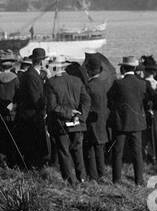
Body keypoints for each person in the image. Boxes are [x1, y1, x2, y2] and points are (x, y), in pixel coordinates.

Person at [45, 55, 90, 184]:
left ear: (54, 67)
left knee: (64, 152)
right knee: (77, 150)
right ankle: (82, 178)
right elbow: (86, 100)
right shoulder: (77, 80)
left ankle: (71, 181)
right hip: (77, 122)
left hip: (61, 123)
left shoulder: (51, 82)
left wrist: (69, 113)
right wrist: (81, 116)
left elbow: (52, 107)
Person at [108, 56, 149, 185]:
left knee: (118, 152)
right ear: (135, 68)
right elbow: (147, 99)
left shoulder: (118, 83)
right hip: (137, 122)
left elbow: (110, 99)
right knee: (137, 153)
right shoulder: (142, 83)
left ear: (123, 68)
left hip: (121, 122)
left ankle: (116, 179)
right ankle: (139, 180)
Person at [13, 48, 50, 171]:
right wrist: (45, 110)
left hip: (30, 114)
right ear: (41, 62)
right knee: (34, 142)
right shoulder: (32, 76)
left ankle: (33, 166)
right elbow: (36, 98)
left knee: (32, 142)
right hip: (32, 115)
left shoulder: (31, 74)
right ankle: (34, 168)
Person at [0, 50, 22, 170]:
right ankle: (12, 162)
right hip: (11, 115)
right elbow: (18, 98)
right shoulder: (15, 79)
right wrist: (10, 108)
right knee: (11, 139)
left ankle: (1, 162)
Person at [83, 52, 112, 181]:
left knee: (90, 150)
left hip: (91, 120)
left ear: (88, 70)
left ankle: (93, 175)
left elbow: (85, 104)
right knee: (100, 149)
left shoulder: (88, 86)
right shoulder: (104, 84)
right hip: (102, 120)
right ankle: (102, 173)